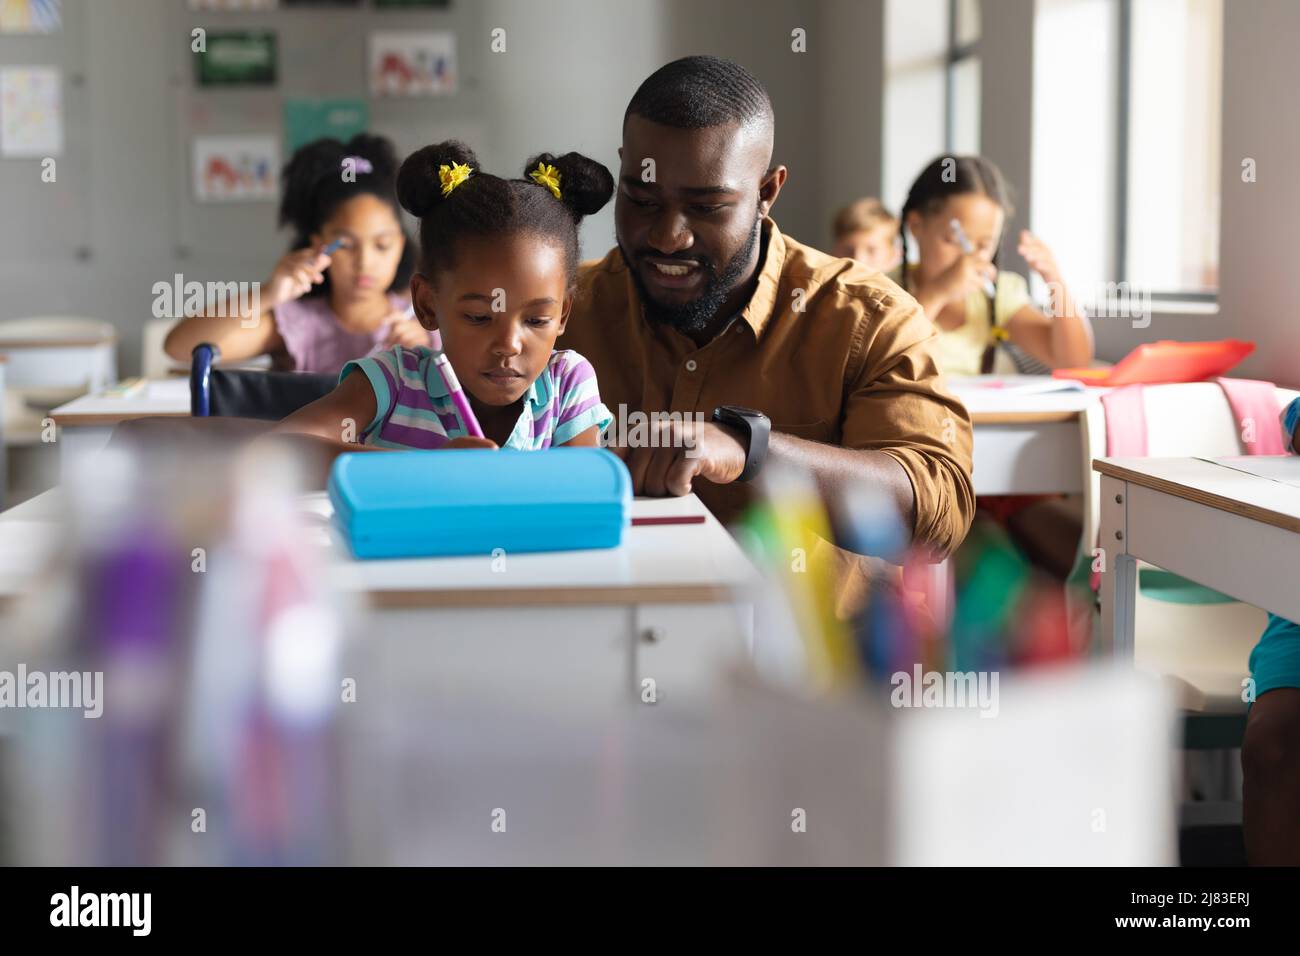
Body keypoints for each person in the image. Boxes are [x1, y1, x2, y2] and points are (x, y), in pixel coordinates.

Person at [559, 55, 975, 614]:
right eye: (641, 200)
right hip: (600, 645)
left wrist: (750, 451)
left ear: (767, 191)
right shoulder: (560, 312)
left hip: (809, 679)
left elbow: (936, 512)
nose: (667, 236)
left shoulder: (866, 318)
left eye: (707, 206)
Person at [274, 141, 613, 454]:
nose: (509, 345)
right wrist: (425, 469)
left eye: (537, 320)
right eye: (480, 316)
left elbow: (584, 487)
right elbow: (284, 448)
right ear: (426, 303)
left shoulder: (567, 383)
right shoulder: (393, 382)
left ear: (564, 314)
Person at [164, 134, 434, 375]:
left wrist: (426, 356)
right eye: (346, 245)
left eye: (382, 245)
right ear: (319, 245)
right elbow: (179, 347)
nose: (365, 262)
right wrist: (269, 293)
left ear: (400, 245)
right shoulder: (299, 325)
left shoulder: (425, 322)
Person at [894, 154, 1093, 376]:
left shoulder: (996, 294)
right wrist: (937, 293)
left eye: (984, 245)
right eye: (953, 240)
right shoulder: (880, 288)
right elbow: (885, 358)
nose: (968, 258)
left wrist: (1056, 281)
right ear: (916, 226)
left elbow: (1073, 362)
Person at [831, 197, 900, 273]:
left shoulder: (904, 283)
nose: (858, 259)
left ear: (894, 255)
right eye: (848, 250)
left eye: (871, 250)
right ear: (834, 251)